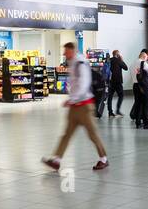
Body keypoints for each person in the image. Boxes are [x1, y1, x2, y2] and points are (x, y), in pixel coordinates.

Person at [43, 42, 108, 172]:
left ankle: (103, 159)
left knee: (92, 135)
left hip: (84, 106)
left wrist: (72, 99)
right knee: (66, 134)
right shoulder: (72, 63)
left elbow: (84, 84)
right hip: (74, 107)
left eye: (66, 51)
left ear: (72, 51)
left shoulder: (80, 63)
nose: (64, 54)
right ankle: (57, 160)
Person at [131, 49, 148, 128]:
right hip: (143, 86)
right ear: (144, 56)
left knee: (138, 104)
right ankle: (146, 123)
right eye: (146, 57)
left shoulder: (132, 63)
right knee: (146, 104)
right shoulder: (143, 63)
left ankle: (138, 122)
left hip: (135, 86)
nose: (147, 59)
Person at [106, 49, 126, 116]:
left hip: (110, 81)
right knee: (121, 95)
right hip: (118, 82)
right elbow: (126, 68)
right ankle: (117, 110)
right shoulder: (119, 60)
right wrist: (122, 59)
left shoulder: (109, 60)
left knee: (110, 97)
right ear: (117, 54)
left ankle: (110, 112)